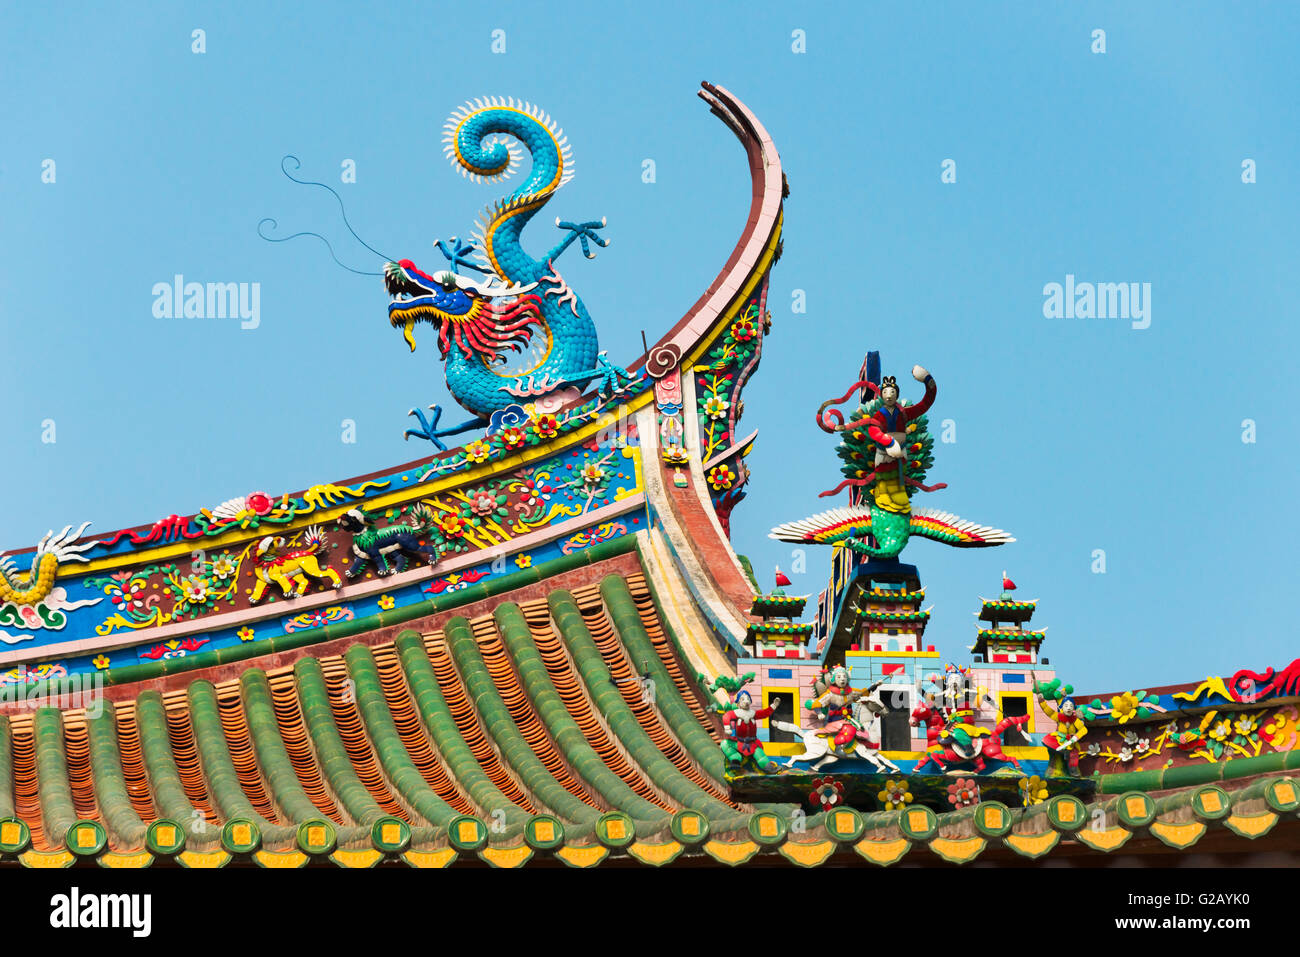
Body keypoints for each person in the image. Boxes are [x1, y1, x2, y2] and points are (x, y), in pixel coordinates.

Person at [865, 365, 936, 513]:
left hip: (900, 455)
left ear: (896, 395)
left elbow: (925, 403)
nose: (889, 395)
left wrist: (927, 379)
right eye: (885, 392)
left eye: (892, 392)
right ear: (882, 396)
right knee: (884, 481)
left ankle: (898, 498)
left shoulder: (904, 414)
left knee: (898, 480)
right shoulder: (879, 415)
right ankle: (882, 496)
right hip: (884, 454)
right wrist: (888, 442)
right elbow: (873, 430)